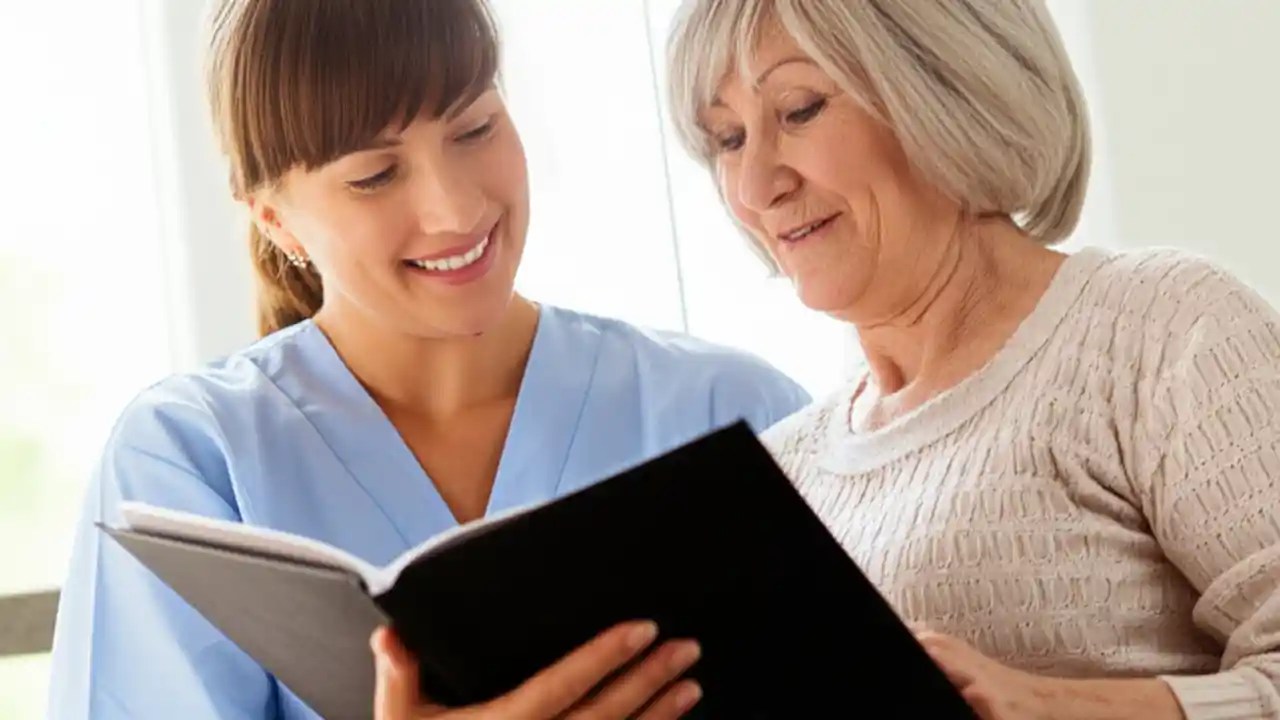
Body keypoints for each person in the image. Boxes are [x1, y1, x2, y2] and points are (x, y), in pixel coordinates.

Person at [44, 1, 812, 718]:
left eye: (475, 129)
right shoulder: (188, 461)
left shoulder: (734, 411)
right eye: (375, 176)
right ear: (275, 219)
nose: (456, 209)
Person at [666, 1, 1280, 718]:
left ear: (941, 88)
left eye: (799, 110)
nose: (754, 187)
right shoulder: (779, 476)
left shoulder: (1162, 330)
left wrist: (1054, 706)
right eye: (729, 139)